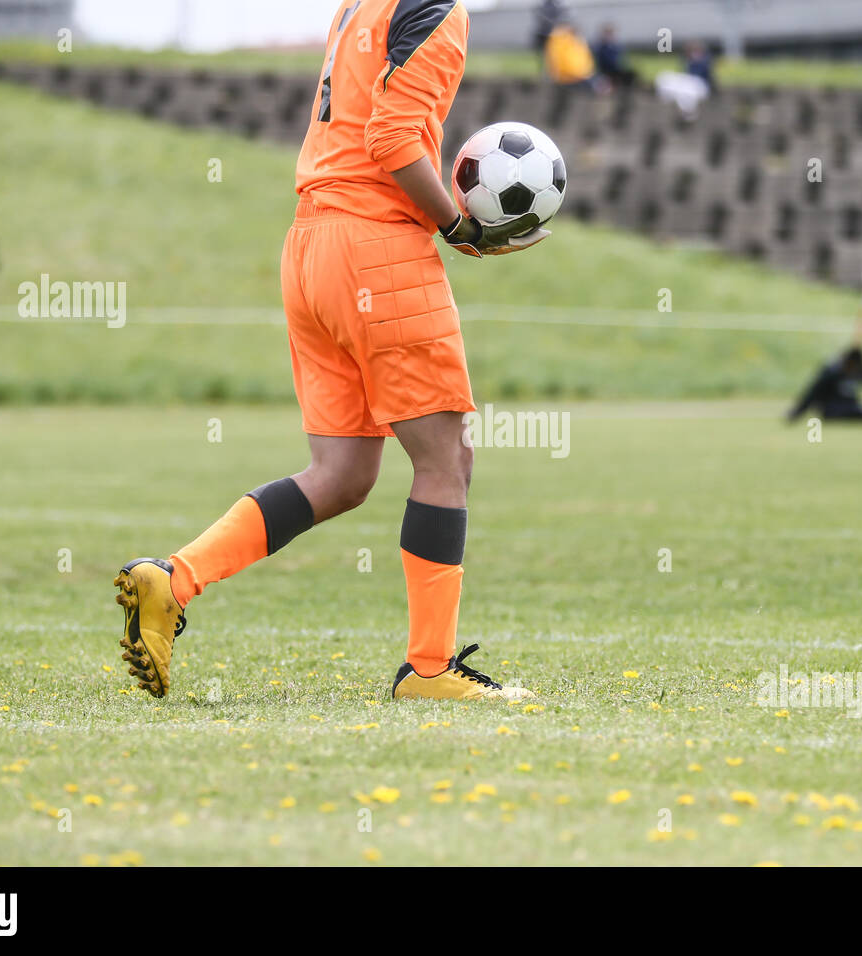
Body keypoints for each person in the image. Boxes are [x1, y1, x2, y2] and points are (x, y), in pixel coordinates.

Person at [112, 0, 547, 704]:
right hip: (376, 247)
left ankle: (173, 581)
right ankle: (430, 671)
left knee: (342, 473)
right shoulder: (438, 9)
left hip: (312, 243)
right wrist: (456, 226)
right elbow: (395, 139)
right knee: (446, 461)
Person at [592, 24, 636, 89]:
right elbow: (601, 62)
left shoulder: (617, 47)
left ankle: (626, 91)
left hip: (617, 70)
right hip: (606, 71)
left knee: (631, 74)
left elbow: (623, 60)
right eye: (607, 33)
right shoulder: (600, 48)